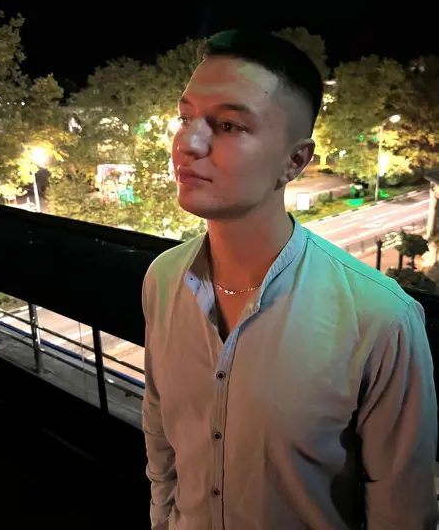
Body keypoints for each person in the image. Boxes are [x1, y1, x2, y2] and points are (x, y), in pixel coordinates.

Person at [142, 30, 438, 529]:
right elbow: (161, 443)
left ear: (295, 161)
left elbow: (403, 513)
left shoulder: (380, 319)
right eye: (185, 117)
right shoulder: (163, 278)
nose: (187, 143)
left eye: (229, 125)